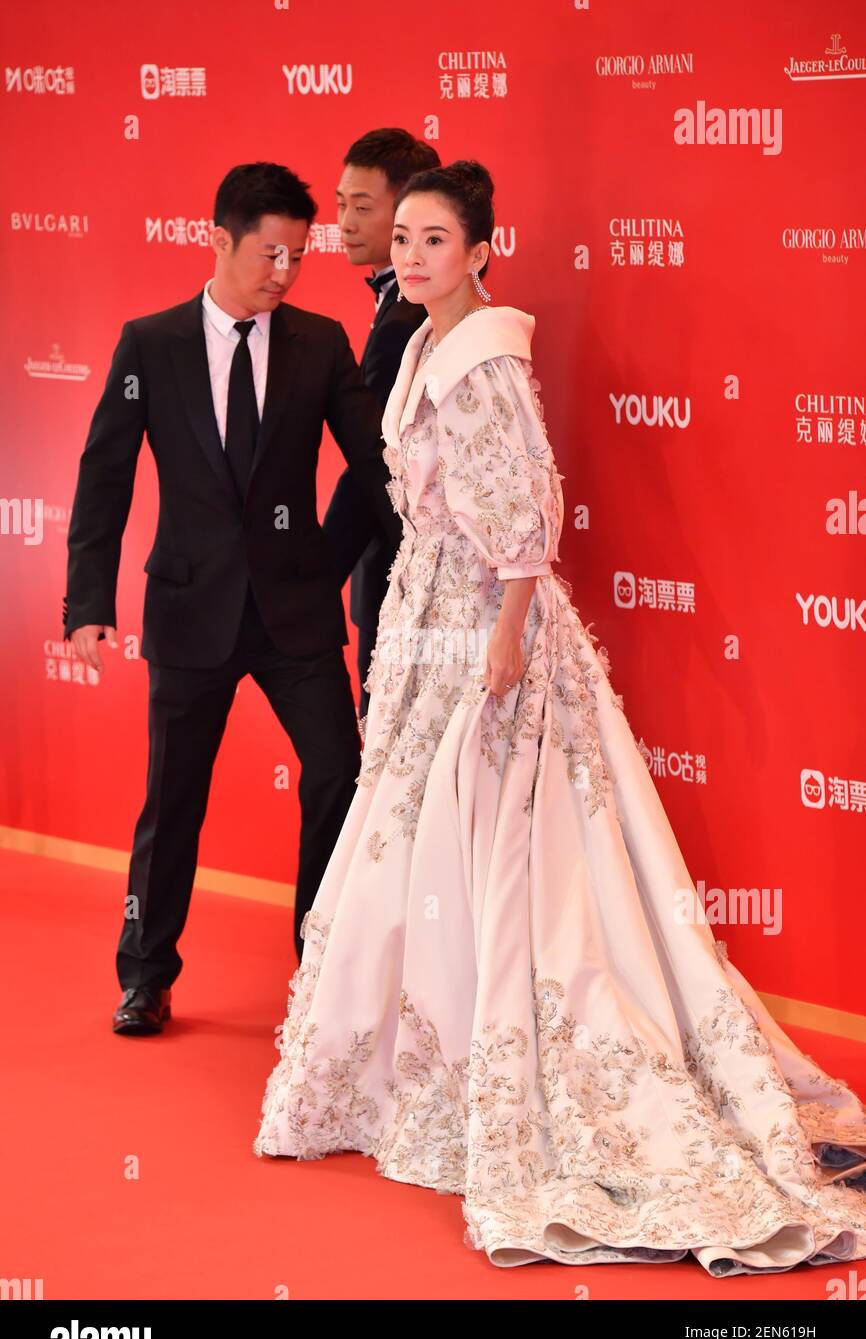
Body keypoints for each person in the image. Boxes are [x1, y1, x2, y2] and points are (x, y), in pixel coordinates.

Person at [252, 160, 866, 1274]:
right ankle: (411, 1068)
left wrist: (502, 633)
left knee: (484, 840)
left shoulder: (484, 355)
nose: (409, 256)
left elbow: (530, 507)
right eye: (402, 240)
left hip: (487, 618)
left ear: (482, 250)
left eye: (434, 241)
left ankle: (482, 1067)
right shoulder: (427, 339)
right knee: (420, 832)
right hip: (429, 606)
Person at [63, 162, 401, 1033]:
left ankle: (319, 968)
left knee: (337, 773)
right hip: (188, 609)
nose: (283, 273)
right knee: (173, 796)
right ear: (220, 240)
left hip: (292, 614)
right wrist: (87, 602)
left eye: (297, 256)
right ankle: (145, 974)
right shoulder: (151, 344)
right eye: (269, 253)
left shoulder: (321, 343)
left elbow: (374, 467)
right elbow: (105, 476)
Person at [325, 128, 440, 721]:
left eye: (362, 207)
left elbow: (377, 462)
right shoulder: (410, 305)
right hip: (405, 568)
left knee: (393, 747)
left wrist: (317, 576)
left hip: (404, 572)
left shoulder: (406, 319)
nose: (343, 220)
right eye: (341, 203)